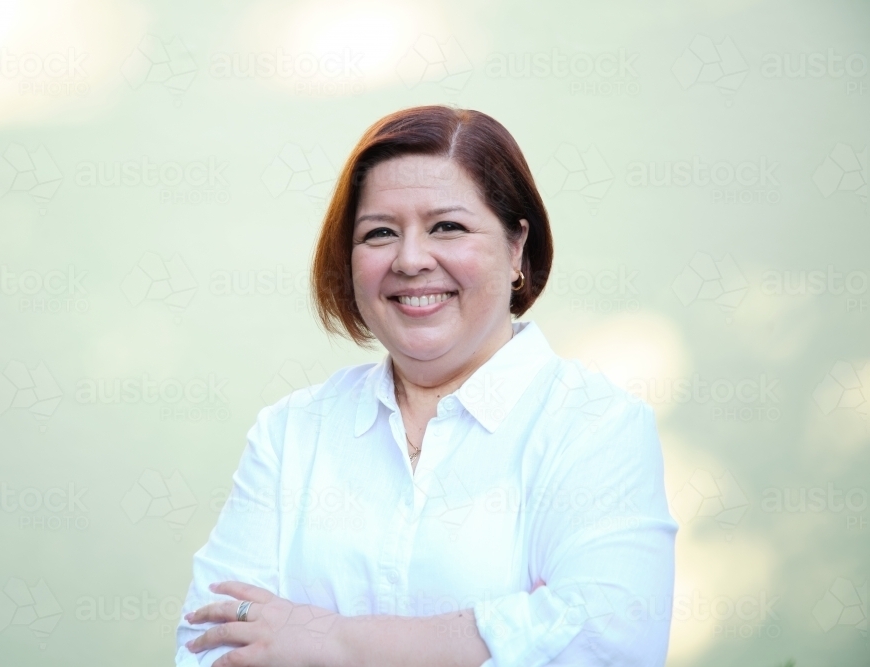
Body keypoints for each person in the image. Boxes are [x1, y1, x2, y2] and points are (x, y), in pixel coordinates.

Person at [175, 105, 677, 666]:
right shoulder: (291, 432)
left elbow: (608, 644)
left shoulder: (595, 425)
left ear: (516, 248)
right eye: (380, 233)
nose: (411, 259)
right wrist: (509, 634)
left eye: (448, 227)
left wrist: (328, 641)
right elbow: (204, 647)